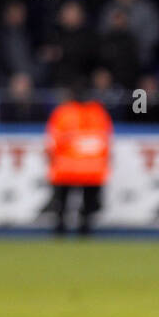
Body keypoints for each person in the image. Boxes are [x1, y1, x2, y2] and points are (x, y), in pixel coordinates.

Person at [44, 87, 112, 235]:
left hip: (66, 167)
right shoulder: (98, 113)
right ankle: (83, 228)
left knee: (62, 202)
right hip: (91, 168)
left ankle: (61, 228)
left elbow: (52, 140)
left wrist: (51, 160)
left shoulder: (63, 113)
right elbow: (105, 141)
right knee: (86, 202)